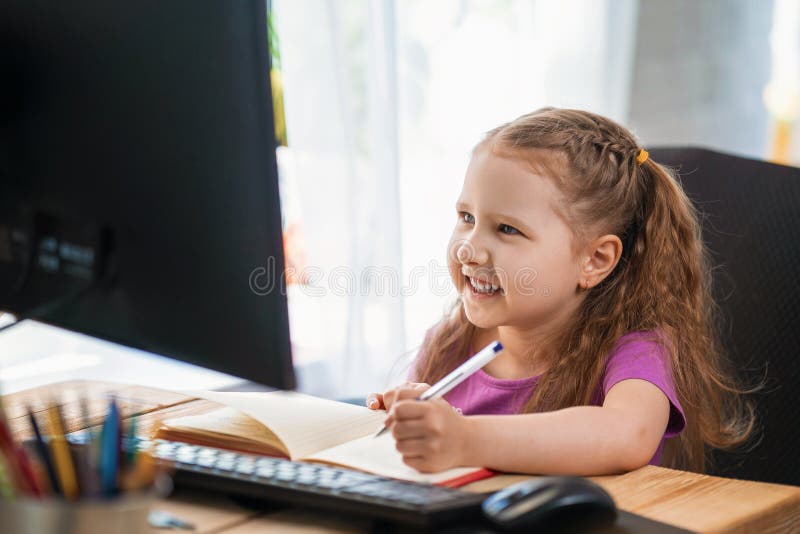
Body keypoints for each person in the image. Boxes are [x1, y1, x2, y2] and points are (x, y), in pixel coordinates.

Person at [366, 108, 755, 476]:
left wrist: (465, 439)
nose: (468, 248)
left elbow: (627, 435)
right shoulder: (450, 343)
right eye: (466, 217)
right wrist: (415, 420)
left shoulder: (637, 350)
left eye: (507, 229)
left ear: (595, 260)